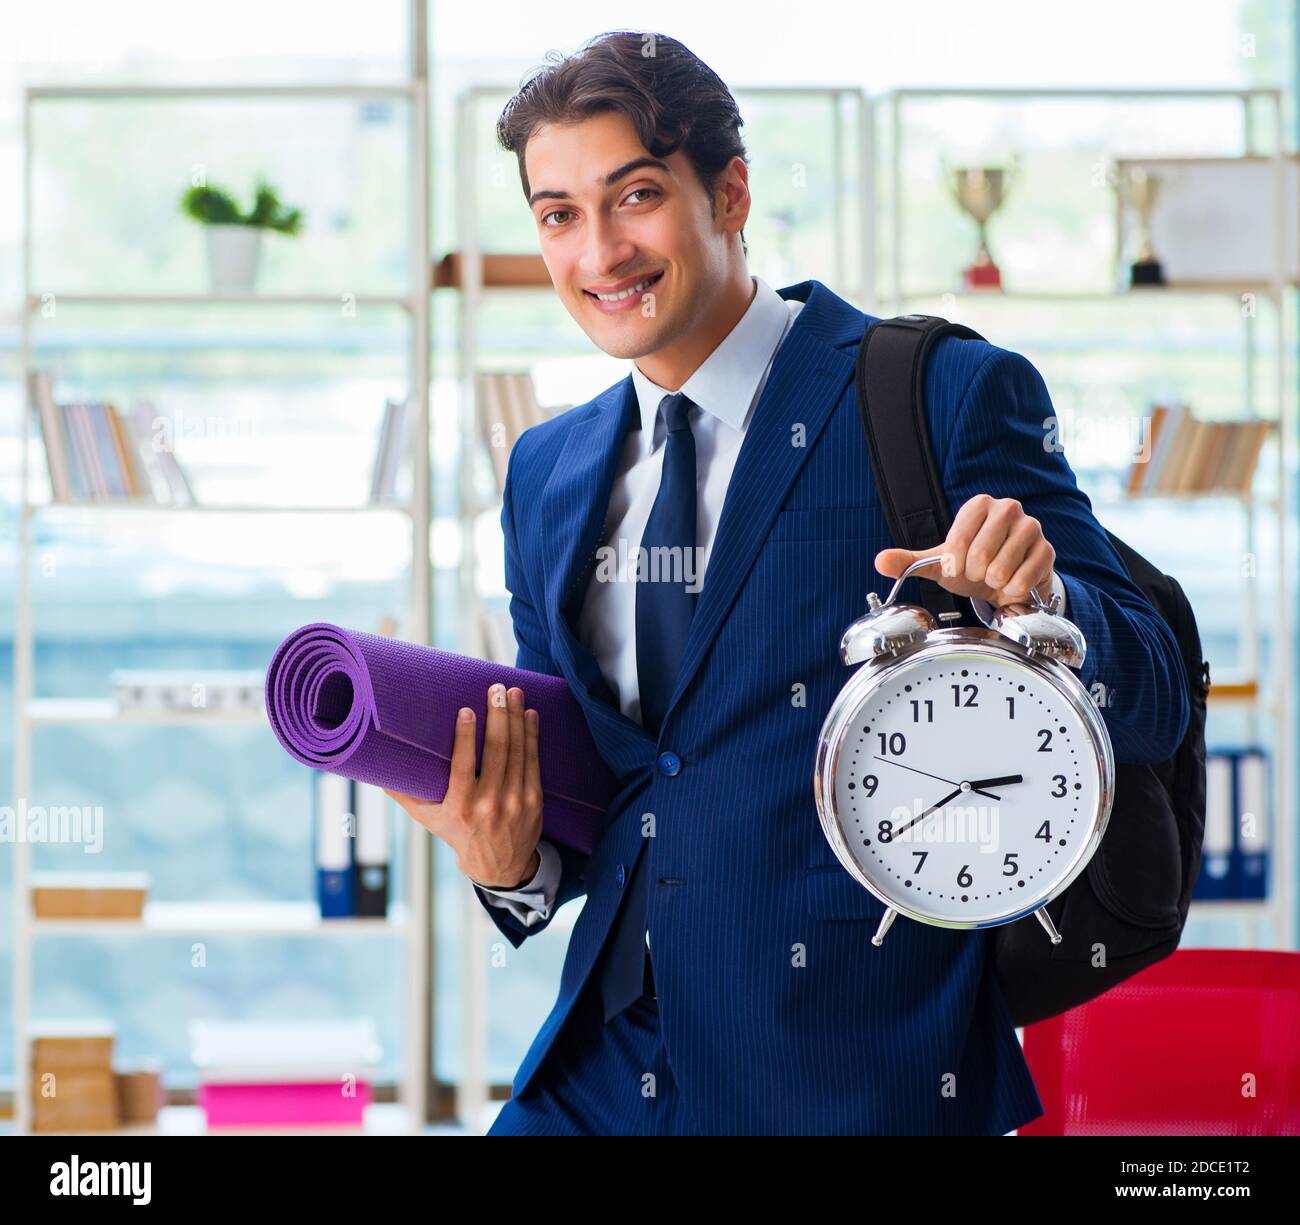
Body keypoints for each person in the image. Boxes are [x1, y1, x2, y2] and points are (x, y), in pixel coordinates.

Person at [384, 30, 1190, 1136]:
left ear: (730, 194)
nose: (600, 251)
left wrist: (1040, 607)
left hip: (854, 1075)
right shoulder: (545, 470)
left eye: (635, 196)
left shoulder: (936, 393)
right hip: (604, 1070)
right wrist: (505, 862)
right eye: (559, 214)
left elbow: (1152, 692)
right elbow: (597, 789)